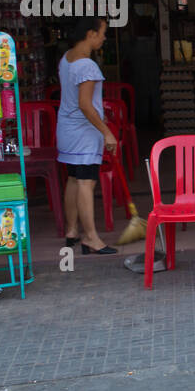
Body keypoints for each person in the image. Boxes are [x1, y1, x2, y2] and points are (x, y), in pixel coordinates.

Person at [57, 15, 118, 254]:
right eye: (102, 33)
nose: (104, 38)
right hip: (84, 133)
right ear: (91, 34)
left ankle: (72, 231)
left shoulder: (67, 58)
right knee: (86, 182)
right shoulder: (87, 65)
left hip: (66, 130)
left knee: (73, 179)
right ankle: (91, 238)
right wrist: (107, 132)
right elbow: (85, 104)